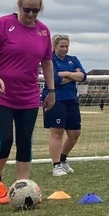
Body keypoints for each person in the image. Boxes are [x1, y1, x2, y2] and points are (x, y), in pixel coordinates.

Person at [0, 0, 55, 205]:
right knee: (5, 140)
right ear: (18, 7)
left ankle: (23, 185)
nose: (31, 15)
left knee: (25, 141)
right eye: (27, 10)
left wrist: (51, 91)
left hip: (28, 95)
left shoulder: (43, 31)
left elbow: (47, 62)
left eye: (36, 10)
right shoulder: (3, 24)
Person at [46, 34, 87, 177]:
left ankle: (63, 159)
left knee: (75, 133)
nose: (64, 49)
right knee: (57, 133)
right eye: (61, 46)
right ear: (55, 46)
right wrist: (72, 76)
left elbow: (83, 76)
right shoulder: (49, 60)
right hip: (55, 100)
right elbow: (54, 79)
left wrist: (67, 74)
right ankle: (56, 165)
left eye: (66, 46)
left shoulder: (73, 59)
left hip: (72, 99)